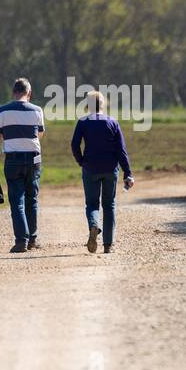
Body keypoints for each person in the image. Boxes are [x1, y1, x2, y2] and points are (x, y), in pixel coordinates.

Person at [0, 77, 46, 253]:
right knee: (31, 199)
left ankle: (21, 241)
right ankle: (32, 239)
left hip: (13, 159)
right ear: (29, 93)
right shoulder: (37, 110)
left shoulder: (2, 111)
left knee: (17, 200)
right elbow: (39, 134)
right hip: (34, 158)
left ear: (13, 92)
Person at [69, 90, 133, 254]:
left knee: (92, 203)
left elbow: (74, 145)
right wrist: (128, 172)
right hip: (110, 169)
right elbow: (121, 150)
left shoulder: (83, 122)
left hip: (90, 168)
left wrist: (81, 161)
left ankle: (93, 225)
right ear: (103, 104)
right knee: (109, 205)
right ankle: (108, 245)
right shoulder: (113, 122)